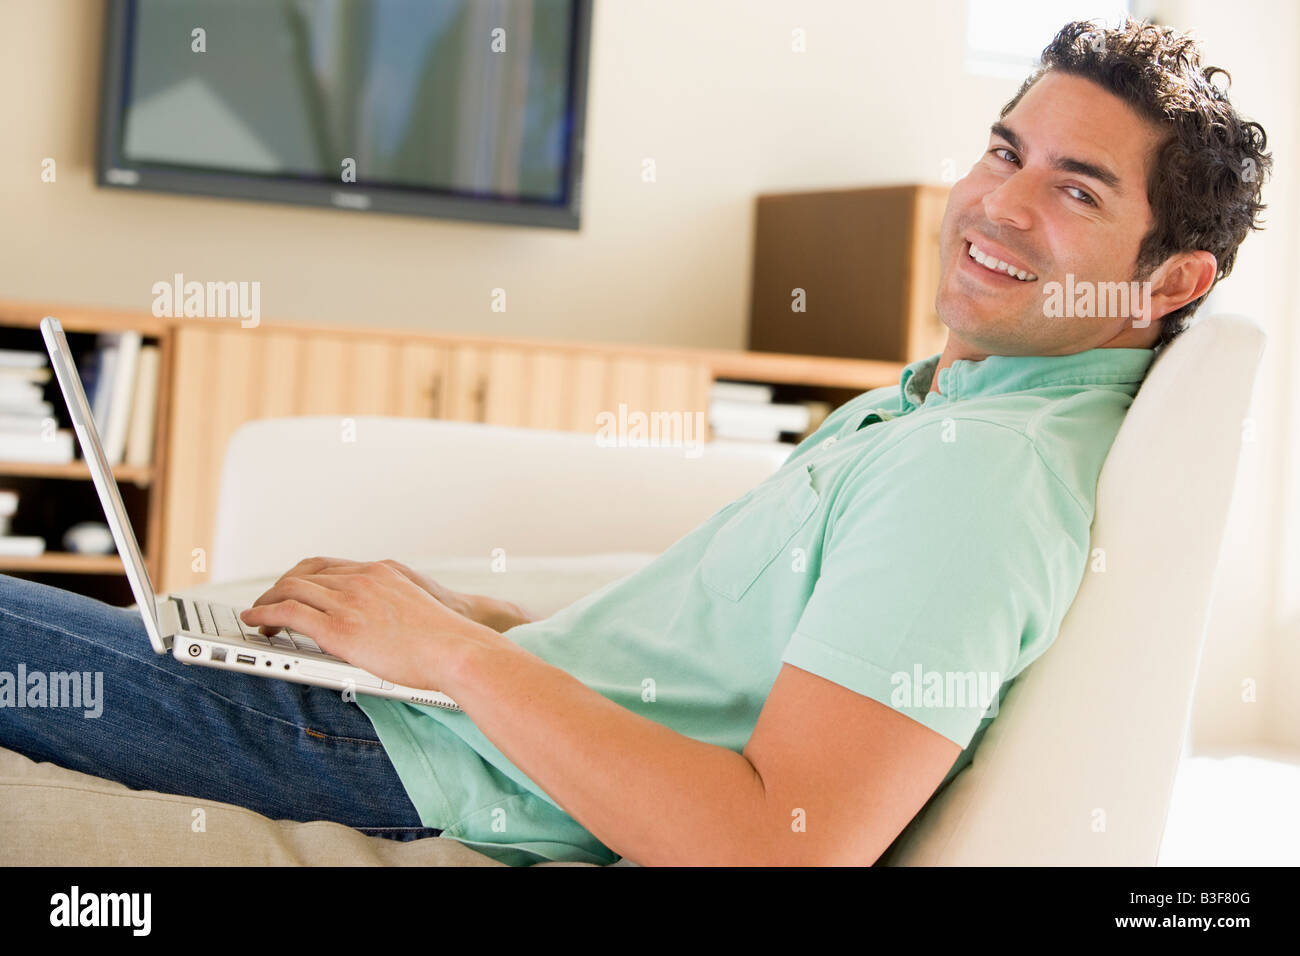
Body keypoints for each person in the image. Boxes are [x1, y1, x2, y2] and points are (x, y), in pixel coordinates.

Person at [0, 17, 1272, 866]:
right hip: (415, 719)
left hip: (400, 769)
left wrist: (441, 654)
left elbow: (784, 841)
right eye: (1005, 150)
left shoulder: (981, 477)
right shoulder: (959, 402)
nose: (998, 203)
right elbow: (727, 676)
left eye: (1076, 188)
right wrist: (479, 627)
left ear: (1166, 283)